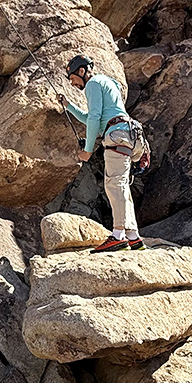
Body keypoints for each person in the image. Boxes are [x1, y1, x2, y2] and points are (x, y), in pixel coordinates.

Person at [58, 55, 145, 252]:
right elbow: (92, 118)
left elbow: (94, 118)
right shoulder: (107, 83)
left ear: (81, 71)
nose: (72, 83)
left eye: (72, 78)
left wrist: (87, 151)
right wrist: (69, 106)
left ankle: (118, 236)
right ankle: (133, 237)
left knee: (115, 185)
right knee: (120, 185)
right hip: (128, 135)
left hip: (116, 136)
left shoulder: (93, 83)